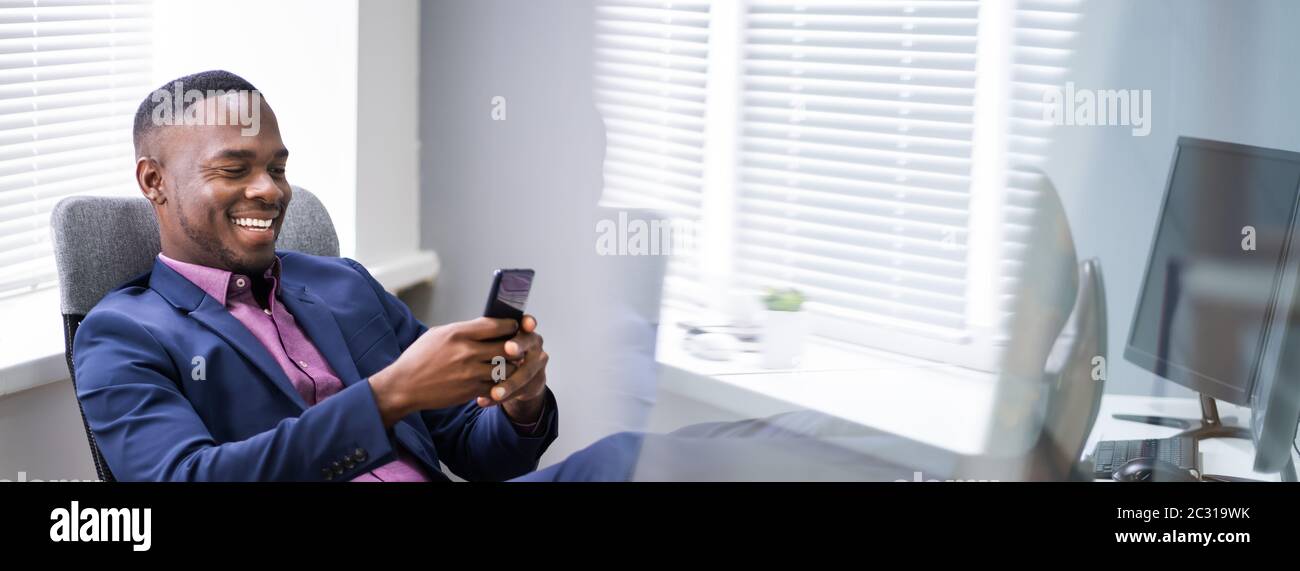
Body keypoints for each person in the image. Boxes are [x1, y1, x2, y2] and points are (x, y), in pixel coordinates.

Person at [75, 70, 557, 481]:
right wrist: (389, 396)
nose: (269, 190)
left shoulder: (344, 282)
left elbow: (476, 448)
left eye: (277, 167)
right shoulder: (121, 335)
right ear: (153, 182)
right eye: (234, 169)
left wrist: (522, 402)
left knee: (622, 448)